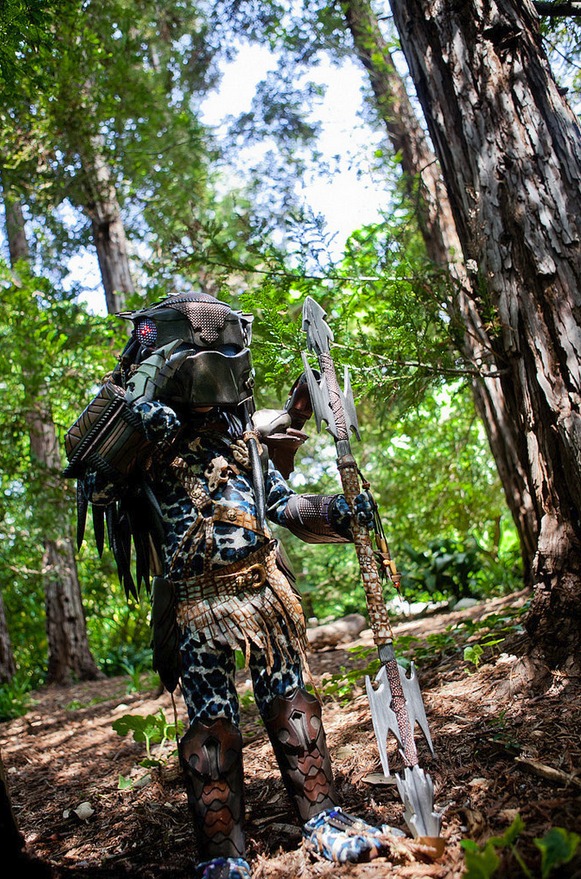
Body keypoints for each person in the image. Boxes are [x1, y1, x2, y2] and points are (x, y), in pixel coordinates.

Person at [65, 293, 386, 879]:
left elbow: (281, 506)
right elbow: (90, 468)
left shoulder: (244, 438)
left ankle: (323, 819)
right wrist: (136, 424)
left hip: (265, 595)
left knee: (292, 704)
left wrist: (340, 512)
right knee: (212, 725)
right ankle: (222, 853)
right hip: (196, 606)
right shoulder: (142, 437)